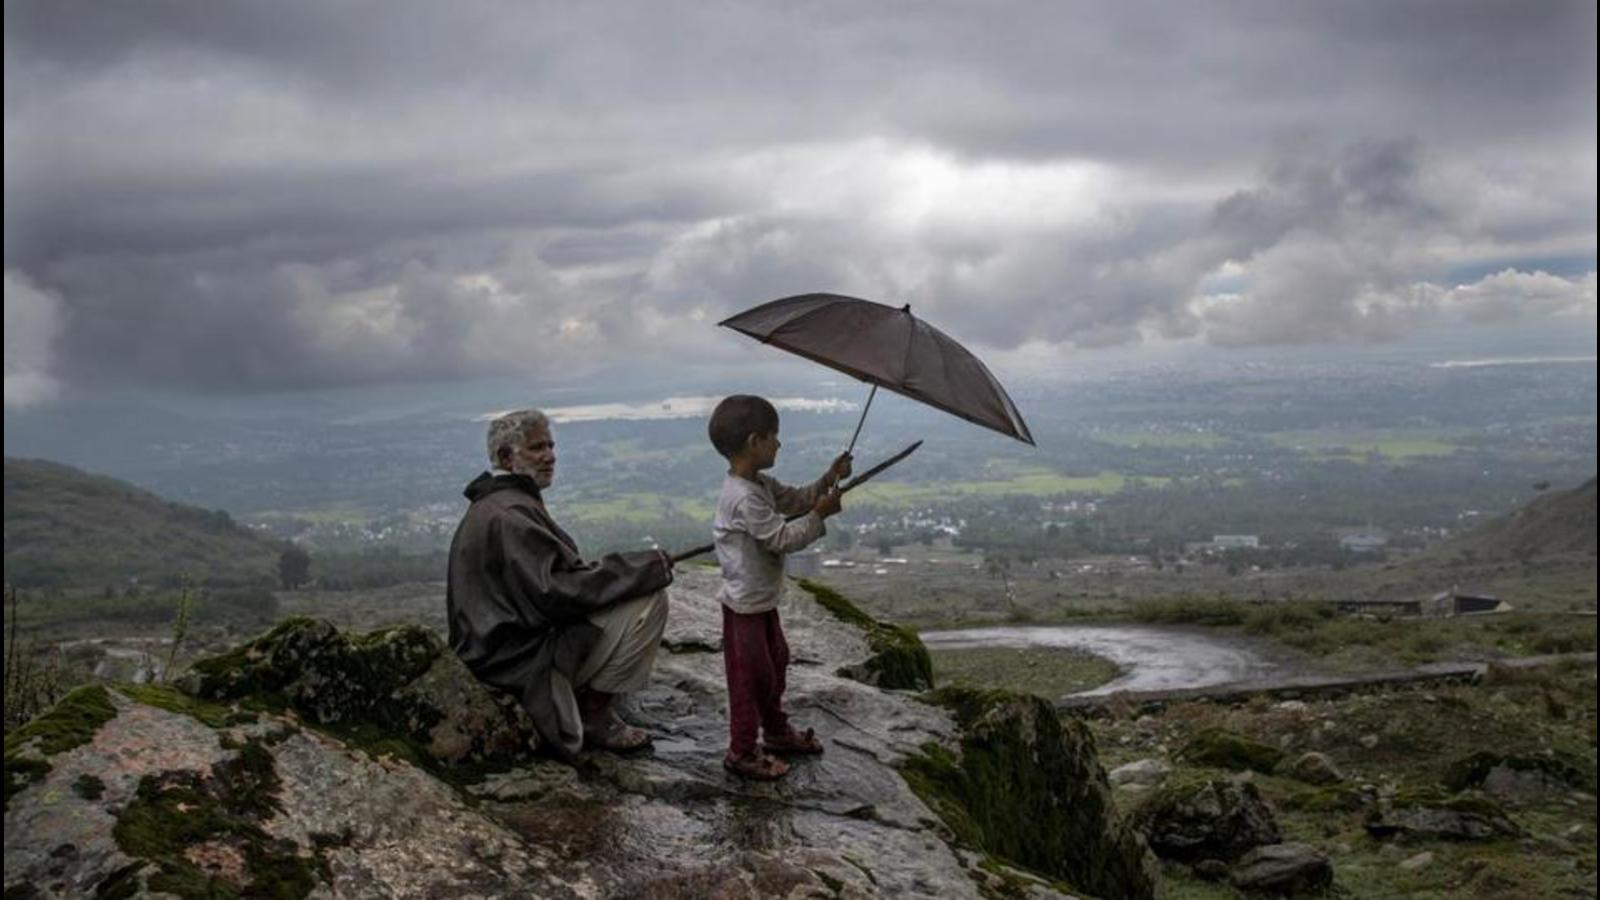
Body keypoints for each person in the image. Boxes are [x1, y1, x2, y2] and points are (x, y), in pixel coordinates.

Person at [447, 409, 674, 759]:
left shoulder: (499, 504)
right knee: (649, 602)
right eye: (537, 448)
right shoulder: (511, 515)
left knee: (628, 594)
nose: (550, 456)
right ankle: (596, 715)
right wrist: (642, 570)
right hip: (519, 661)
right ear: (507, 457)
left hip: (501, 650)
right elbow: (556, 592)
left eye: (551, 446)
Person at [708, 395, 851, 780]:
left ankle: (774, 732)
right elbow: (781, 538)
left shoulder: (760, 484)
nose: (779, 444)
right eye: (774, 437)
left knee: (775, 665)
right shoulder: (742, 498)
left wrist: (829, 478)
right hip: (743, 610)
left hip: (761, 603)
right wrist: (820, 515)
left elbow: (796, 500)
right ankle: (740, 752)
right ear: (755, 441)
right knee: (750, 680)